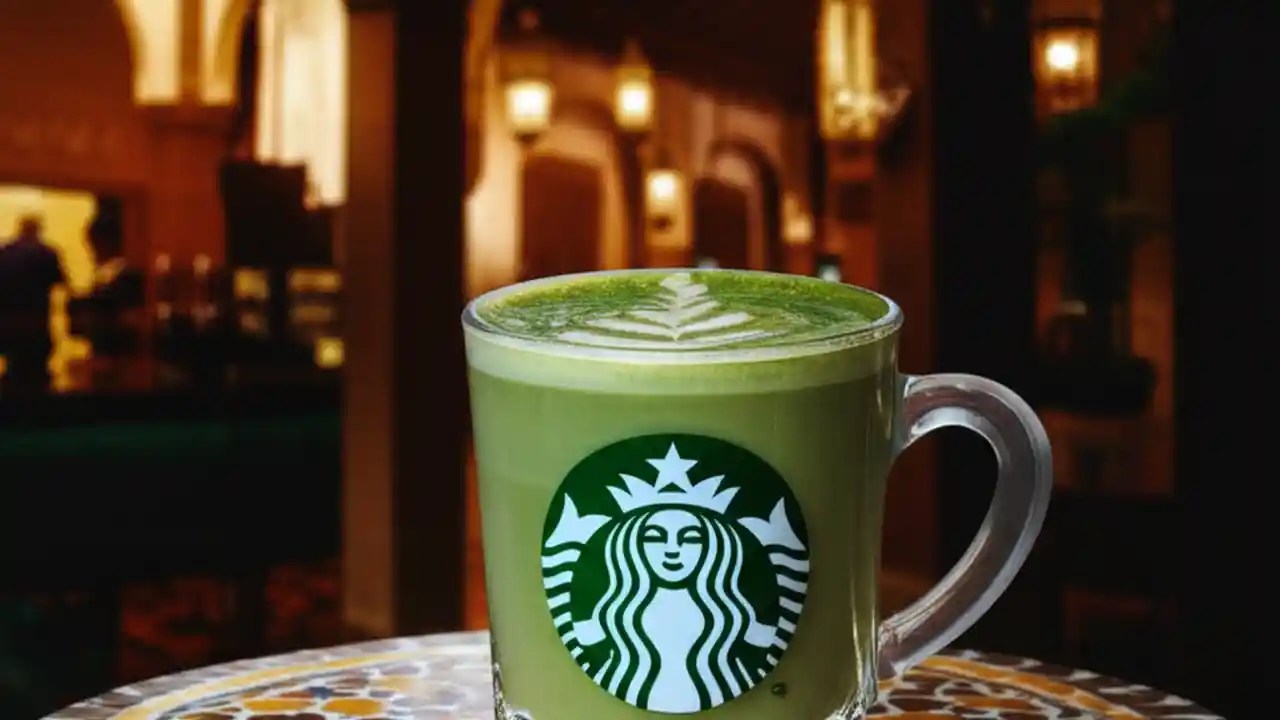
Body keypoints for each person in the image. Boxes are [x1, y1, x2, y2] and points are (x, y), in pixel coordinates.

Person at [0, 215, 66, 395]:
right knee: (37, 378)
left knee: (12, 373)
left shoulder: (4, 252)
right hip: (37, 324)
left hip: (8, 324)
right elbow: (61, 283)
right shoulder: (47, 253)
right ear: (38, 230)